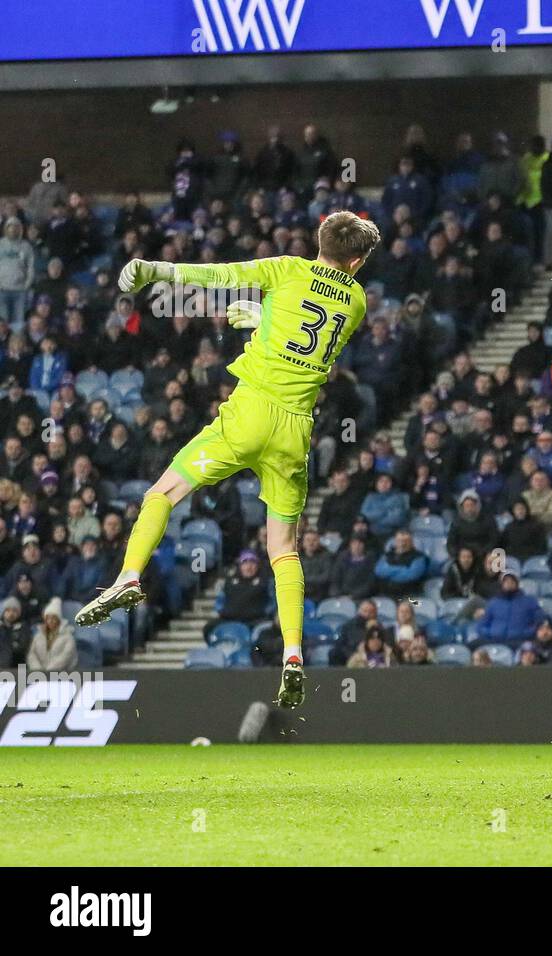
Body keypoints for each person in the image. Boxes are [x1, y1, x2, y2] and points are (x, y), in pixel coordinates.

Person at [73, 211, 382, 712]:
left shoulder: (286, 269)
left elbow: (218, 275)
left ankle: (129, 576)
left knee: (162, 494)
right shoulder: (357, 299)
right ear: (357, 260)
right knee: (283, 549)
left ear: (318, 241)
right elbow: (312, 347)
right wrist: (266, 321)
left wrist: (156, 270)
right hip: (295, 429)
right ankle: (294, 653)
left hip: (250, 412)